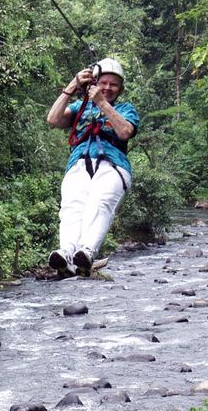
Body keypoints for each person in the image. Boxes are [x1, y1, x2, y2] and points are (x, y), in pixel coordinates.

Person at [46, 57, 139, 277]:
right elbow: (53, 119)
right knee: (71, 206)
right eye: (103, 83)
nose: (107, 88)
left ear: (120, 89)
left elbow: (125, 132)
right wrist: (72, 86)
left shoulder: (126, 109)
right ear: (95, 83)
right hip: (79, 162)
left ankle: (86, 252)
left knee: (100, 201)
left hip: (112, 164)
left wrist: (101, 103)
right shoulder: (80, 107)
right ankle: (66, 253)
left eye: (113, 84)